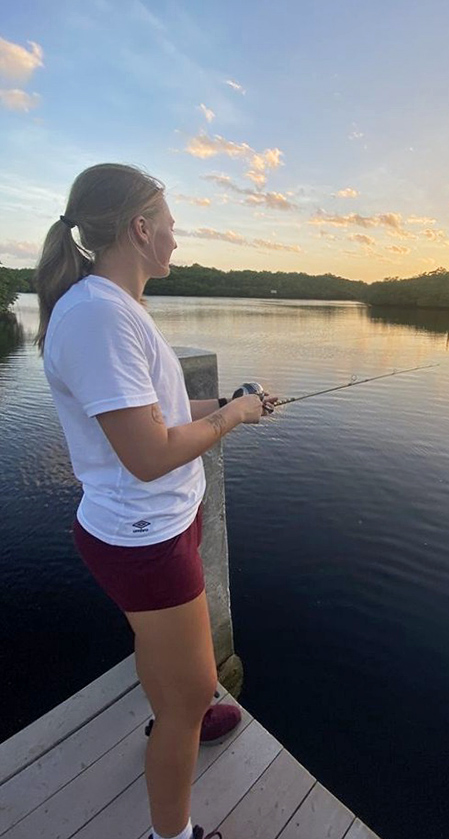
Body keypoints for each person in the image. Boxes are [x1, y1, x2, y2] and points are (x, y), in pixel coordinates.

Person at [34, 163, 274, 839]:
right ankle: (172, 828)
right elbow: (147, 455)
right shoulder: (98, 318)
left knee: (166, 662)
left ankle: (174, 709)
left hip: (159, 527)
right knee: (193, 693)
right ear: (140, 229)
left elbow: (158, 413)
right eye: (170, 223)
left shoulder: (113, 307)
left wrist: (229, 403)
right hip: (144, 537)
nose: (176, 236)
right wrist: (230, 420)